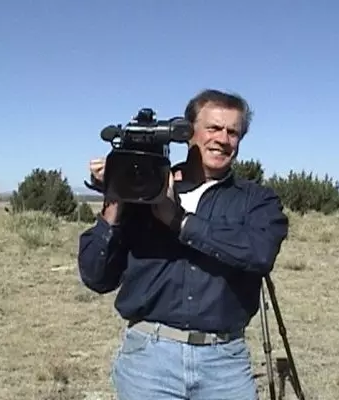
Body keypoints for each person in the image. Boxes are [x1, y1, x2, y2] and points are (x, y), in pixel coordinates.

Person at [78, 89, 289, 400]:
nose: (223, 139)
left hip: (225, 361)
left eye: (233, 132)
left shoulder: (256, 200)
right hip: (149, 359)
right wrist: (116, 195)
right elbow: (97, 277)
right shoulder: (145, 192)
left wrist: (180, 221)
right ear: (189, 132)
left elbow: (259, 253)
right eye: (214, 128)